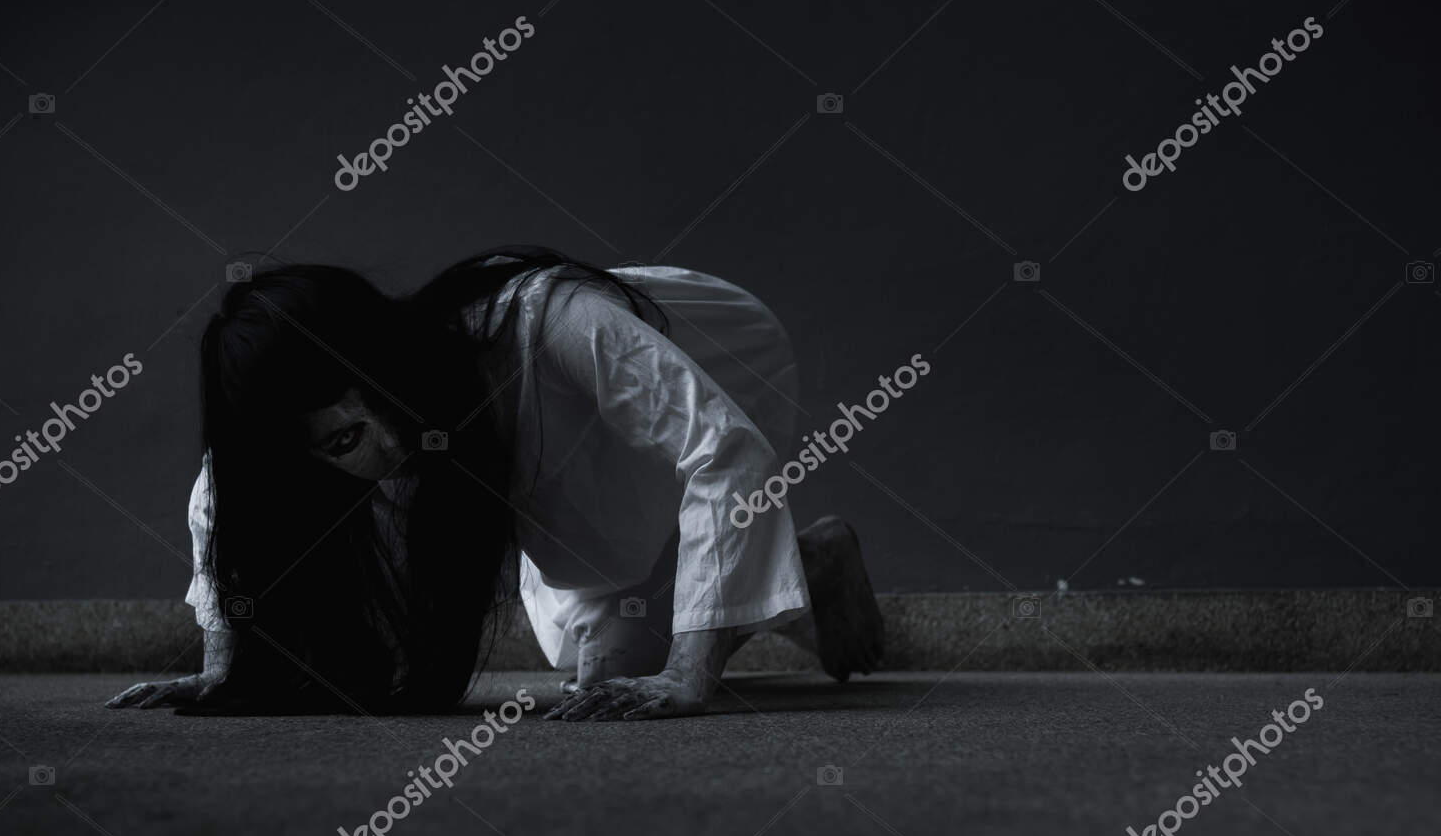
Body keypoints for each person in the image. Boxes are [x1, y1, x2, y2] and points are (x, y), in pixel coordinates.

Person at [105, 246, 882, 720]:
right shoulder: (297, 453)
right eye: (345, 442)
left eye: (384, 398)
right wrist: (221, 664)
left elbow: (722, 445)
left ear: (393, 346)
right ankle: (807, 566)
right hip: (563, 477)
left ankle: (763, 579)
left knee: (653, 666)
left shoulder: (556, 319)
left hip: (723, 376)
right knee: (599, 667)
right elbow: (224, 496)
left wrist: (690, 678)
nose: (389, 443)